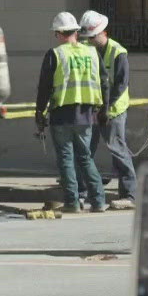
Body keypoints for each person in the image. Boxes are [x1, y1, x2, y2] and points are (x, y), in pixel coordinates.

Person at [35, 12, 107, 213]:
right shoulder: (92, 53)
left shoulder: (55, 54)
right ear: (76, 31)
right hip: (86, 115)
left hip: (61, 115)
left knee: (66, 159)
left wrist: (39, 112)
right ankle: (99, 201)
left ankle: (72, 202)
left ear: (59, 33)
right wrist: (104, 109)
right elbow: (105, 82)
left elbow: (44, 87)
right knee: (85, 158)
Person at [80, 9, 134, 210]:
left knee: (118, 150)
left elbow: (121, 84)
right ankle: (83, 192)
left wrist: (106, 107)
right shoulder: (87, 49)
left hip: (113, 111)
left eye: (92, 37)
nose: (90, 40)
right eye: (87, 37)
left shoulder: (118, 52)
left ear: (103, 32)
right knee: (85, 151)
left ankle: (129, 194)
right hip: (93, 109)